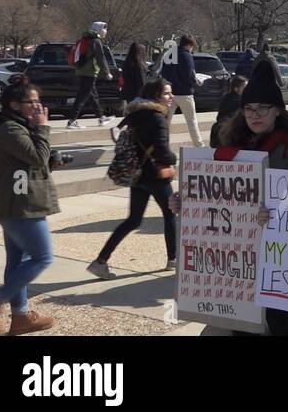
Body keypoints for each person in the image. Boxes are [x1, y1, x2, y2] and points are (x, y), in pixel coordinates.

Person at [211, 59, 288, 336]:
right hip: (239, 260)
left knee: (284, 324)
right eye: (248, 109)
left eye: (262, 108)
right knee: (243, 327)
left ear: (278, 111)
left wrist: (277, 214)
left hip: (280, 261)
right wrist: (184, 204)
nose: (254, 114)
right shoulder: (231, 147)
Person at [0, 79, 60, 335]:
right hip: (20, 205)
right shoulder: (10, 129)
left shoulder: (17, 127)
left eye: (38, 101)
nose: (37, 106)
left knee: (17, 260)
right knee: (42, 257)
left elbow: (28, 161)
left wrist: (50, 160)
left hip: (16, 202)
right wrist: (43, 129)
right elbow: (35, 157)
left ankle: (21, 316)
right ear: (14, 104)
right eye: (31, 102)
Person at [88, 78, 177, 280]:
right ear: (156, 96)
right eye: (167, 93)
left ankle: (100, 261)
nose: (171, 97)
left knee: (133, 220)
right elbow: (163, 151)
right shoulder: (158, 117)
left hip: (136, 174)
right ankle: (173, 258)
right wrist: (174, 159)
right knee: (171, 214)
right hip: (156, 174)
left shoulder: (135, 114)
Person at [161, 34, 206, 148]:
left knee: (165, 121)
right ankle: (199, 146)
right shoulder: (186, 55)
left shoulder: (170, 54)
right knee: (191, 121)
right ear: (190, 45)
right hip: (185, 93)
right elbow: (189, 74)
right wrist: (196, 82)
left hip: (169, 93)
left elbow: (163, 72)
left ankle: (161, 144)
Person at [67, 21, 113, 129]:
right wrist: (107, 72)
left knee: (93, 96)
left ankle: (101, 118)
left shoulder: (84, 39)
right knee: (82, 97)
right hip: (89, 72)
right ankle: (72, 121)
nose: (105, 32)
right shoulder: (96, 41)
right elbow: (100, 58)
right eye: (104, 29)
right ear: (99, 30)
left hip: (81, 71)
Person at [210, 75, 247, 148]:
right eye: (245, 87)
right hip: (229, 134)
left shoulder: (226, 98)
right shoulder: (239, 103)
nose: (248, 90)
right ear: (236, 89)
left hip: (219, 132)